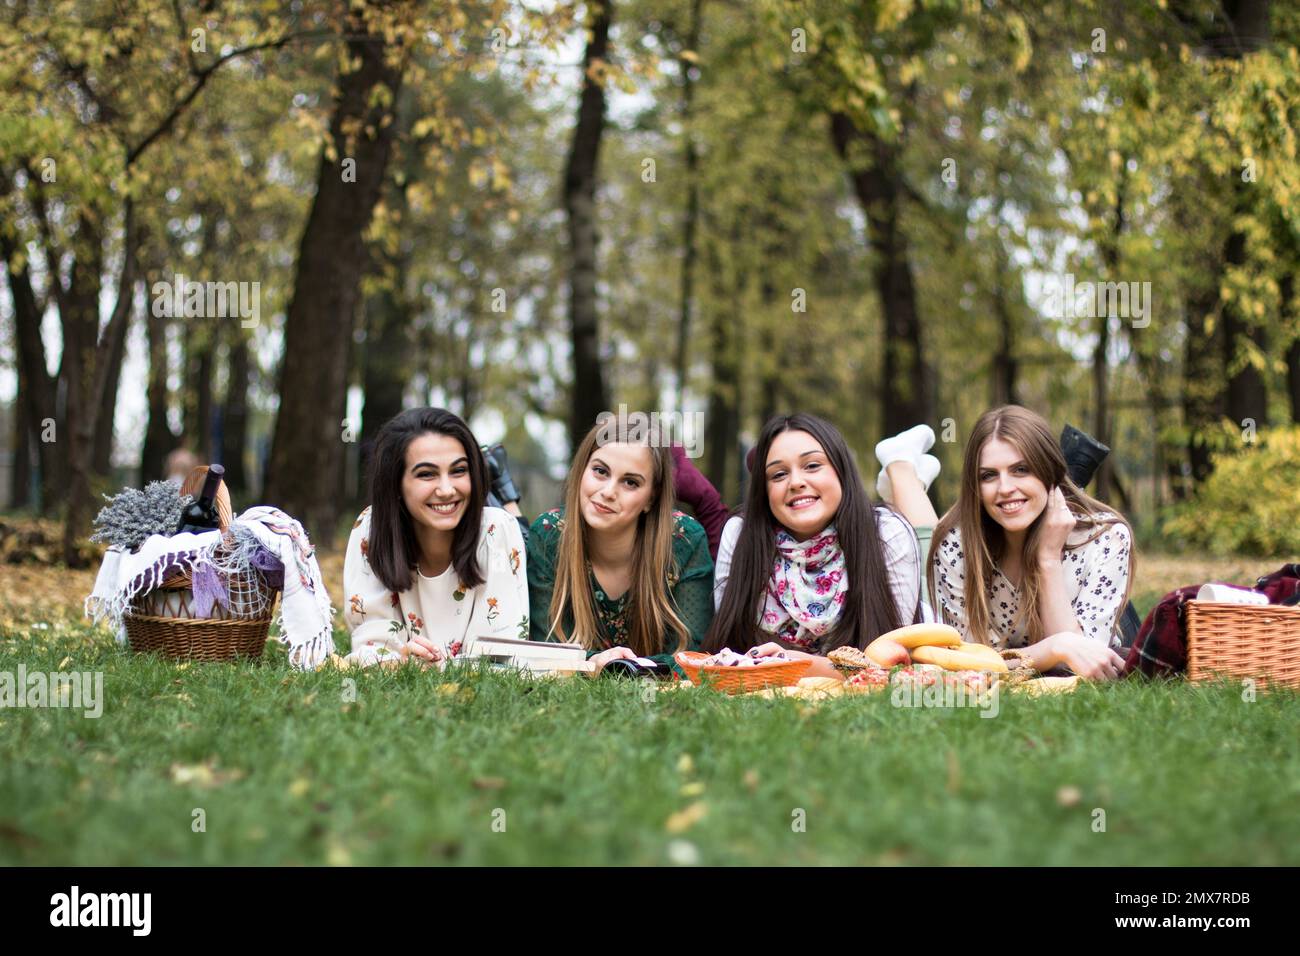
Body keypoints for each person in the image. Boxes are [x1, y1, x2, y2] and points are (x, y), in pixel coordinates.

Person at [875, 406, 1132, 680]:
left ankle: (902, 466)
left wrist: (1048, 559)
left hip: (1100, 598)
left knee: (928, 540)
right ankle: (900, 464)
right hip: (954, 553)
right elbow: (971, 665)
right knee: (926, 545)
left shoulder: (1106, 538)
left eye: (1021, 469)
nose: (1005, 488)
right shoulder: (955, 545)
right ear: (975, 486)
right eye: (988, 475)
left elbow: (1079, 665)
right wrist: (1057, 646)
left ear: (1050, 471)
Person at [706, 413, 922, 679]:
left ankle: (902, 467)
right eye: (779, 474)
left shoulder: (887, 533)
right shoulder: (740, 535)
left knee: (929, 537)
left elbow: (891, 664)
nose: (796, 482)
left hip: (914, 571)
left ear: (841, 471)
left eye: (812, 466)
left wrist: (798, 664)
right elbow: (730, 652)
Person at [342, 408, 528, 667]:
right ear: (395, 483)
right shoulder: (371, 529)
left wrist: (419, 665)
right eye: (426, 474)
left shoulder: (497, 530)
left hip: (498, 532)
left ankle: (504, 491)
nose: (446, 489)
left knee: (523, 534)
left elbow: (499, 657)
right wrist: (400, 659)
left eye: (459, 471)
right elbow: (371, 649)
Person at [527, 421, 714, 675]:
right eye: (600, 471)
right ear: (582, 469)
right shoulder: (549, 535)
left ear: (651, 498)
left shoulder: (684, 540)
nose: (608, 492)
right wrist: (595, 663)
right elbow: (545, 650)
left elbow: (690, 657)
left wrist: (615, 669)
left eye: (631, 483)